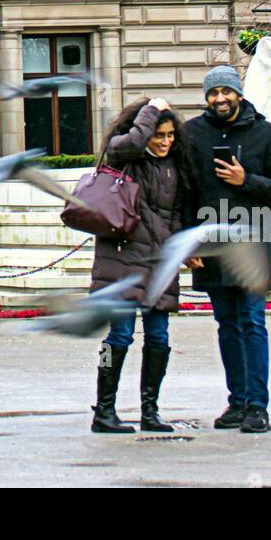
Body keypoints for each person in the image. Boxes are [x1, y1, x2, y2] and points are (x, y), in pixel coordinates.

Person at [183, 65, 271, 435]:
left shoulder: (265, 133)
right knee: (227, 326)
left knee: (252, 323)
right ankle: (237, 401)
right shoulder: (192, 133)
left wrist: (246, 180)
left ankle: (257, 406)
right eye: (213, 94)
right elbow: (183, 192)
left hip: (251, 242)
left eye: (226, 92)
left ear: (239, 95)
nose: (219, 99)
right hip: (211, 243)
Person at [89, 97, 203, 434]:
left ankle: (150, 409)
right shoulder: (124, 156)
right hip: (122, 259)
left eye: (170, 135)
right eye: (158, 135)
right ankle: (104, 409)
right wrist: (151, 110)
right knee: (118, 337)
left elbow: (178, 214)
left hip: (160, 261)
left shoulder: (176, 165)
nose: (165, 142)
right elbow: (132, 142)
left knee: (159, 337)